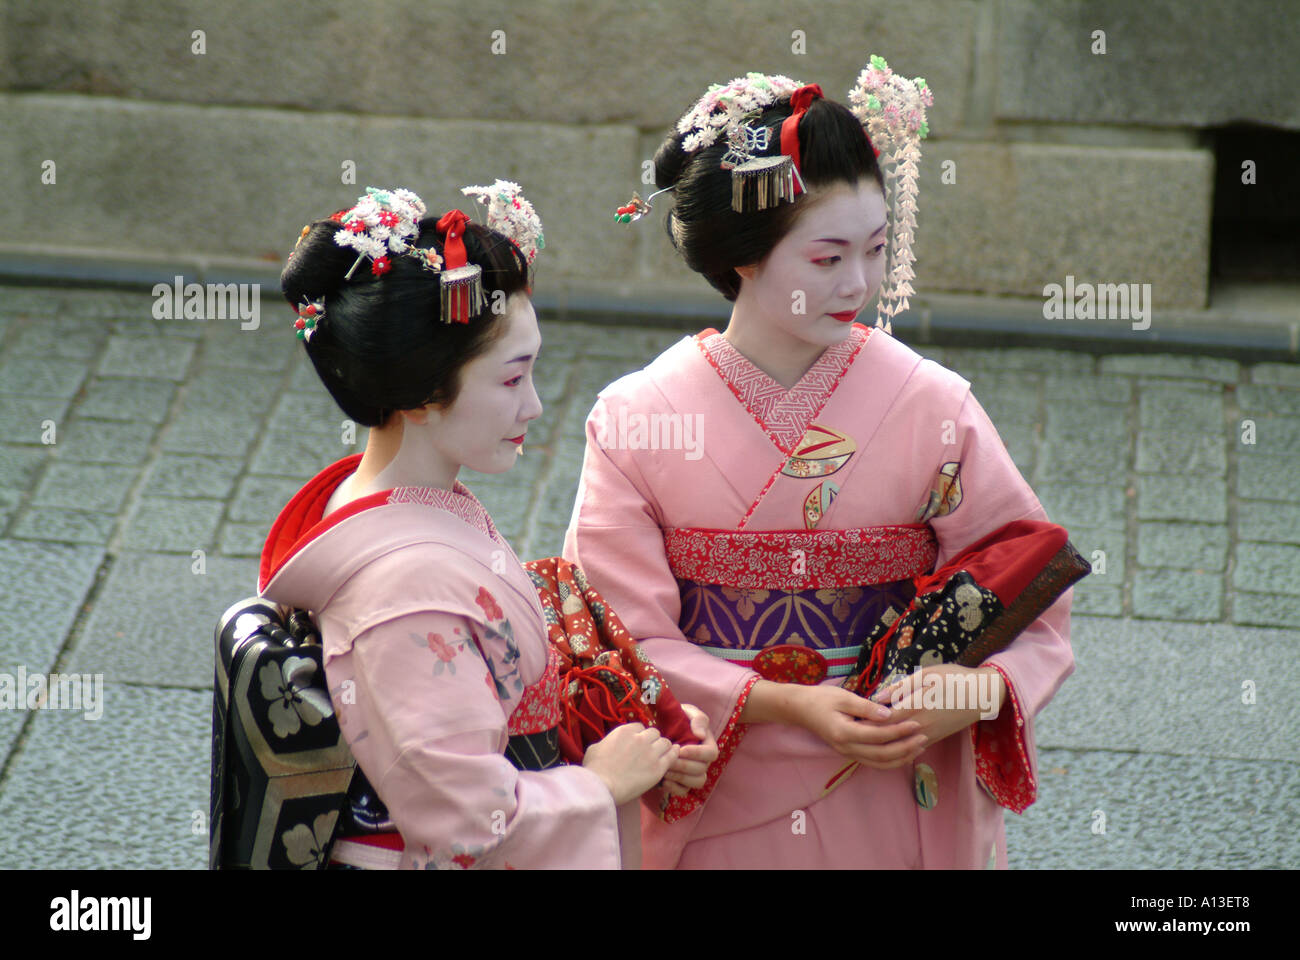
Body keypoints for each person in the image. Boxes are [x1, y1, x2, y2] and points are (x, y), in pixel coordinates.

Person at [564, 67, 1075, 868]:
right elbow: (618, 634)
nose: (859, 284)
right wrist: (786, 703)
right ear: (742, 256)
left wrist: (974, 693)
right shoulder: (639, 417)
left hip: (893, 764)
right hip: (724, 773)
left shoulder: (930, 402)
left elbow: (1027, 582)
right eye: (828, 257)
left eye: (875, 250)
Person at [259, 183, 716, 870]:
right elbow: (467, 817)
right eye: (510, 380)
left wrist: (631, 724)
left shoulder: (381, 501)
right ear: (419, 394)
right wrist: (600, 785)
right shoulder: (404, 588)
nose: (534, 405)